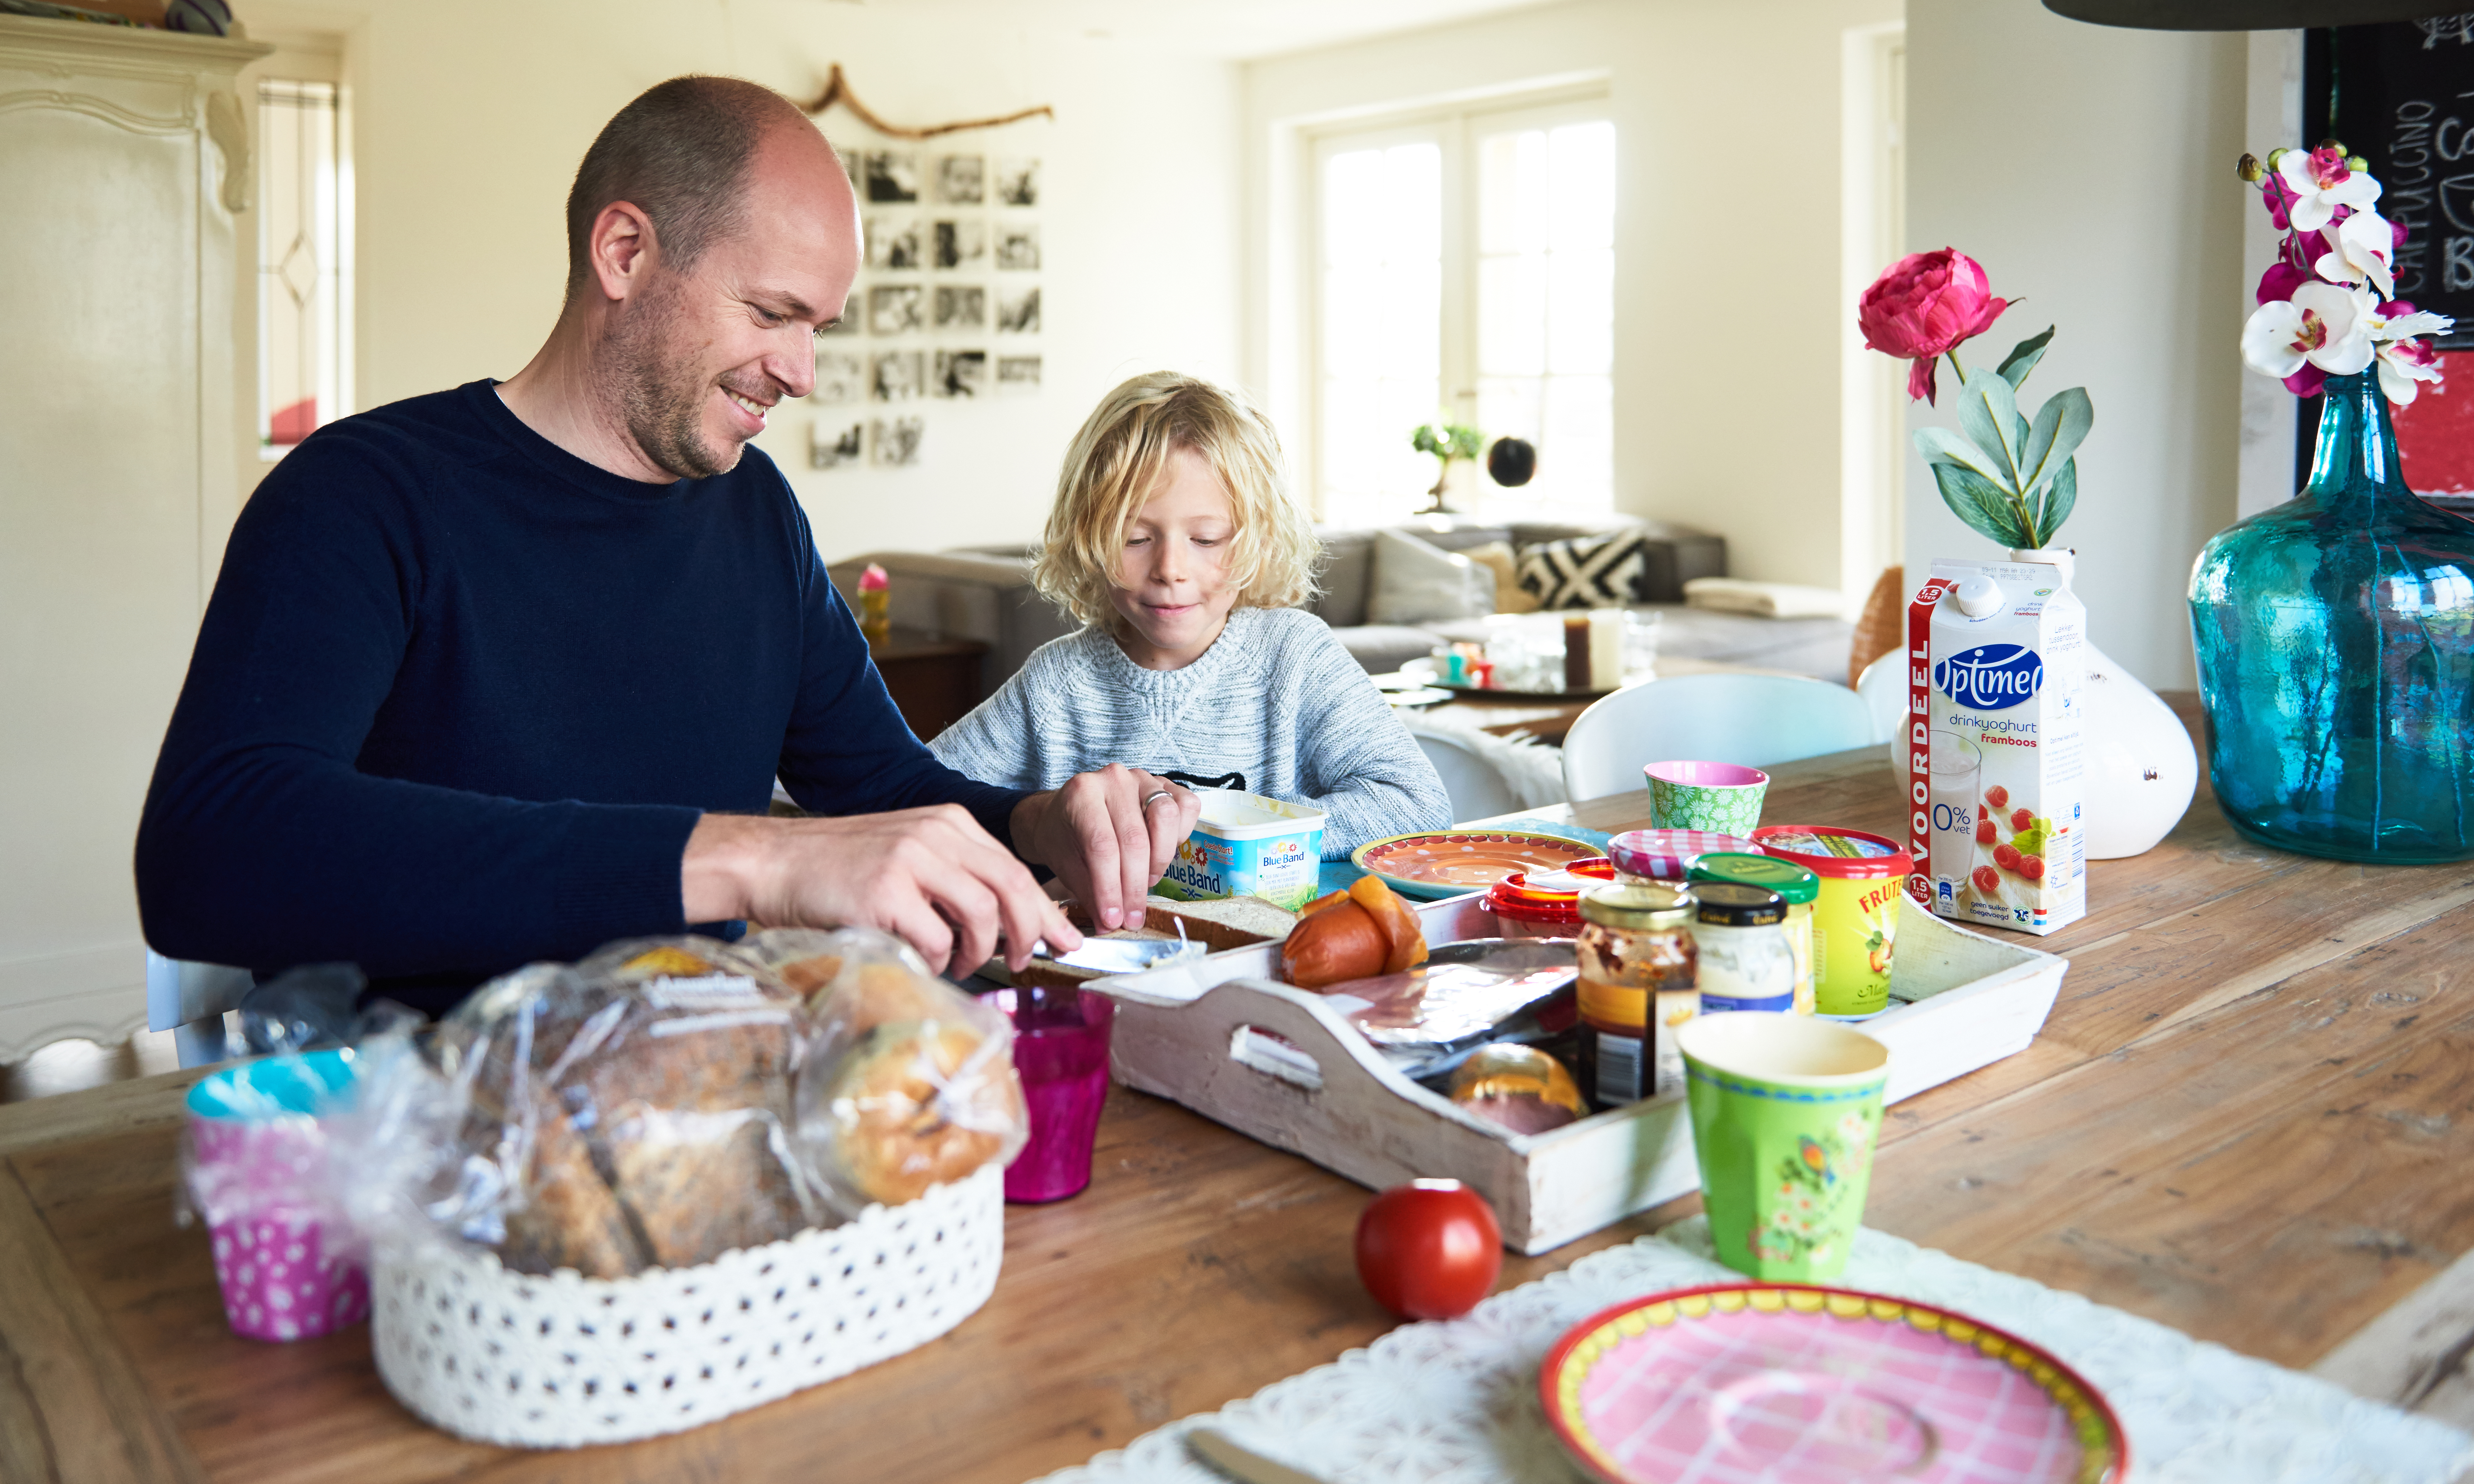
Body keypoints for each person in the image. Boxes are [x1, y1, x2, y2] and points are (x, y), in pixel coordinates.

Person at [134, 77, 1200, 1013]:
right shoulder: (363, 492)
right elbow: (210, 852)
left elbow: (879, 787)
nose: (802, 372)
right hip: (411, 1121)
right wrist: (743, 858)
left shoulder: (757, 513)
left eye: (819, 328)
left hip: (696, 1089)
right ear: (625, 252)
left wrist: (1040, 821)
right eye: (774, 312)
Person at [928, 372, 1450, 859]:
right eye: (1135, 538)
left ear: (1259, 540)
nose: (1170, 569)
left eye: (1206, 539)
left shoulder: (1295, 656)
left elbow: (1416, 804)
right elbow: (916, 797)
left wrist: (1237, 834)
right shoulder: (1056, 684)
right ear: (1088, 538)